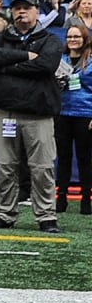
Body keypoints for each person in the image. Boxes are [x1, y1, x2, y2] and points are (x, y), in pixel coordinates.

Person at [0, 0, 63, 234]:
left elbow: (46, 65)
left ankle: (46, 216)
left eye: (27, 8)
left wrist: (6, 67)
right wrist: (25, 56)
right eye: (17, 8)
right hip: (4, 111)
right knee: (4, 165)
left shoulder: (50, 40)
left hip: (38, 114)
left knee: (42, 167)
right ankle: (4, 214)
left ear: (37, 11)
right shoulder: (0, 39)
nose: (21, 12)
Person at [55, 21, 92, 216]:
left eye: (76, 36)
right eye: (69, 36)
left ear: (85, 39)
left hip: (85, 113)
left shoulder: (91, 60)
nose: (72, 40)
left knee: (85, 159)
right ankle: (61, 198)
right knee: (63, 158)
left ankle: (87, 199)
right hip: (63, 113)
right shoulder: (61, 59)